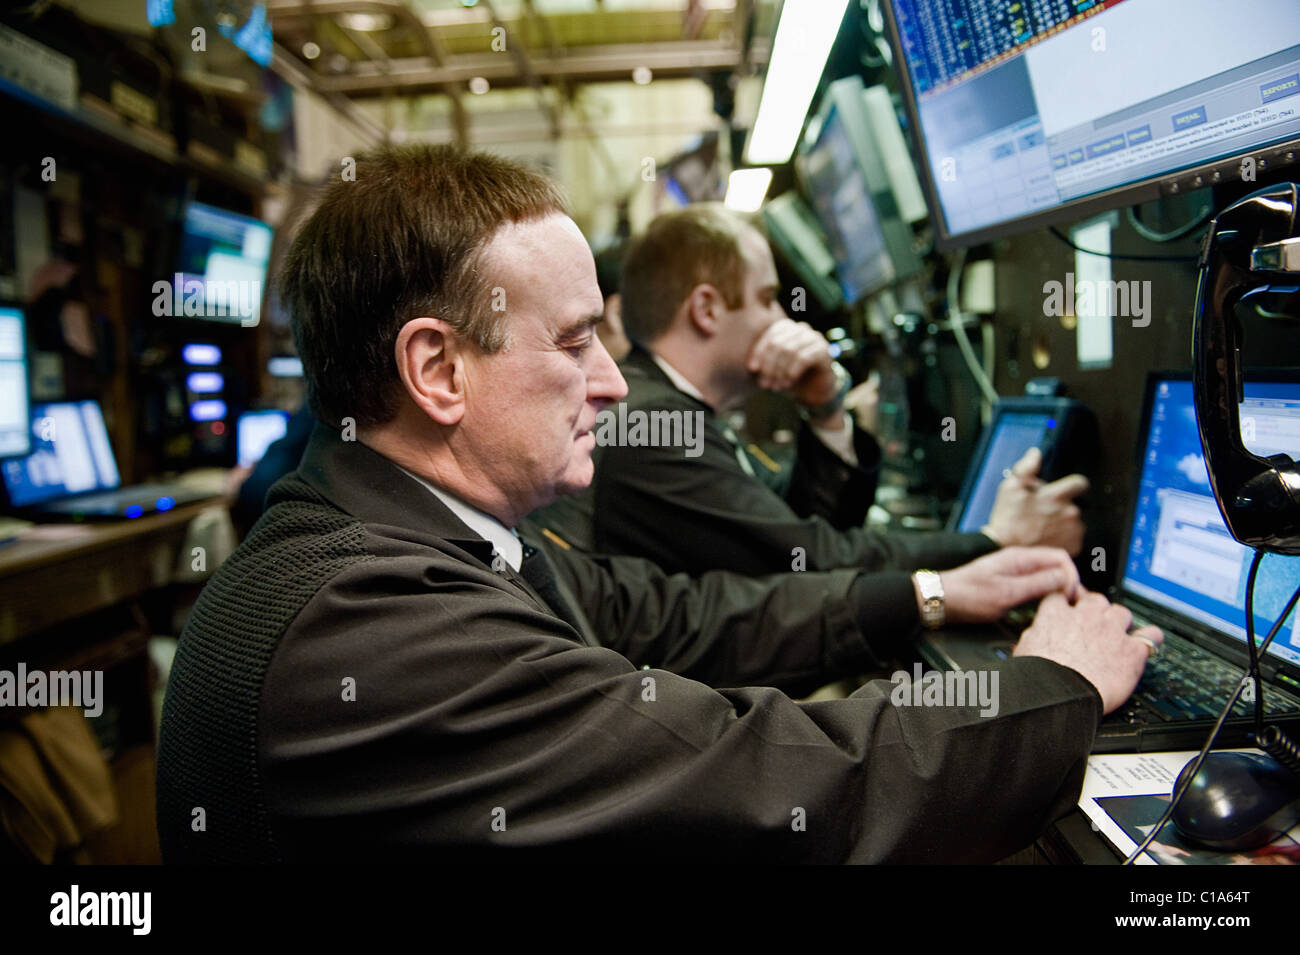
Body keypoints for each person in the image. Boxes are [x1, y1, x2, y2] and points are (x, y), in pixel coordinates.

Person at [156, 144, 1161, 863]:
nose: (608, 382)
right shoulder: (367, 627)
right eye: (575, 340)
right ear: (438, 369)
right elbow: (758, 777)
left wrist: (939, 595)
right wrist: (1043, 691)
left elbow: (687, 613)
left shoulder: (428, 538)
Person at [553, 203, 1087, 578]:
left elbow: (797, 536)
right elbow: (807, 557)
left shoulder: (670, 409)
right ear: (707, 309)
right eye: (767, 298)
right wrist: (995, 540)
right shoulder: (658, 425)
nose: (782, 318)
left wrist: (826, 411)